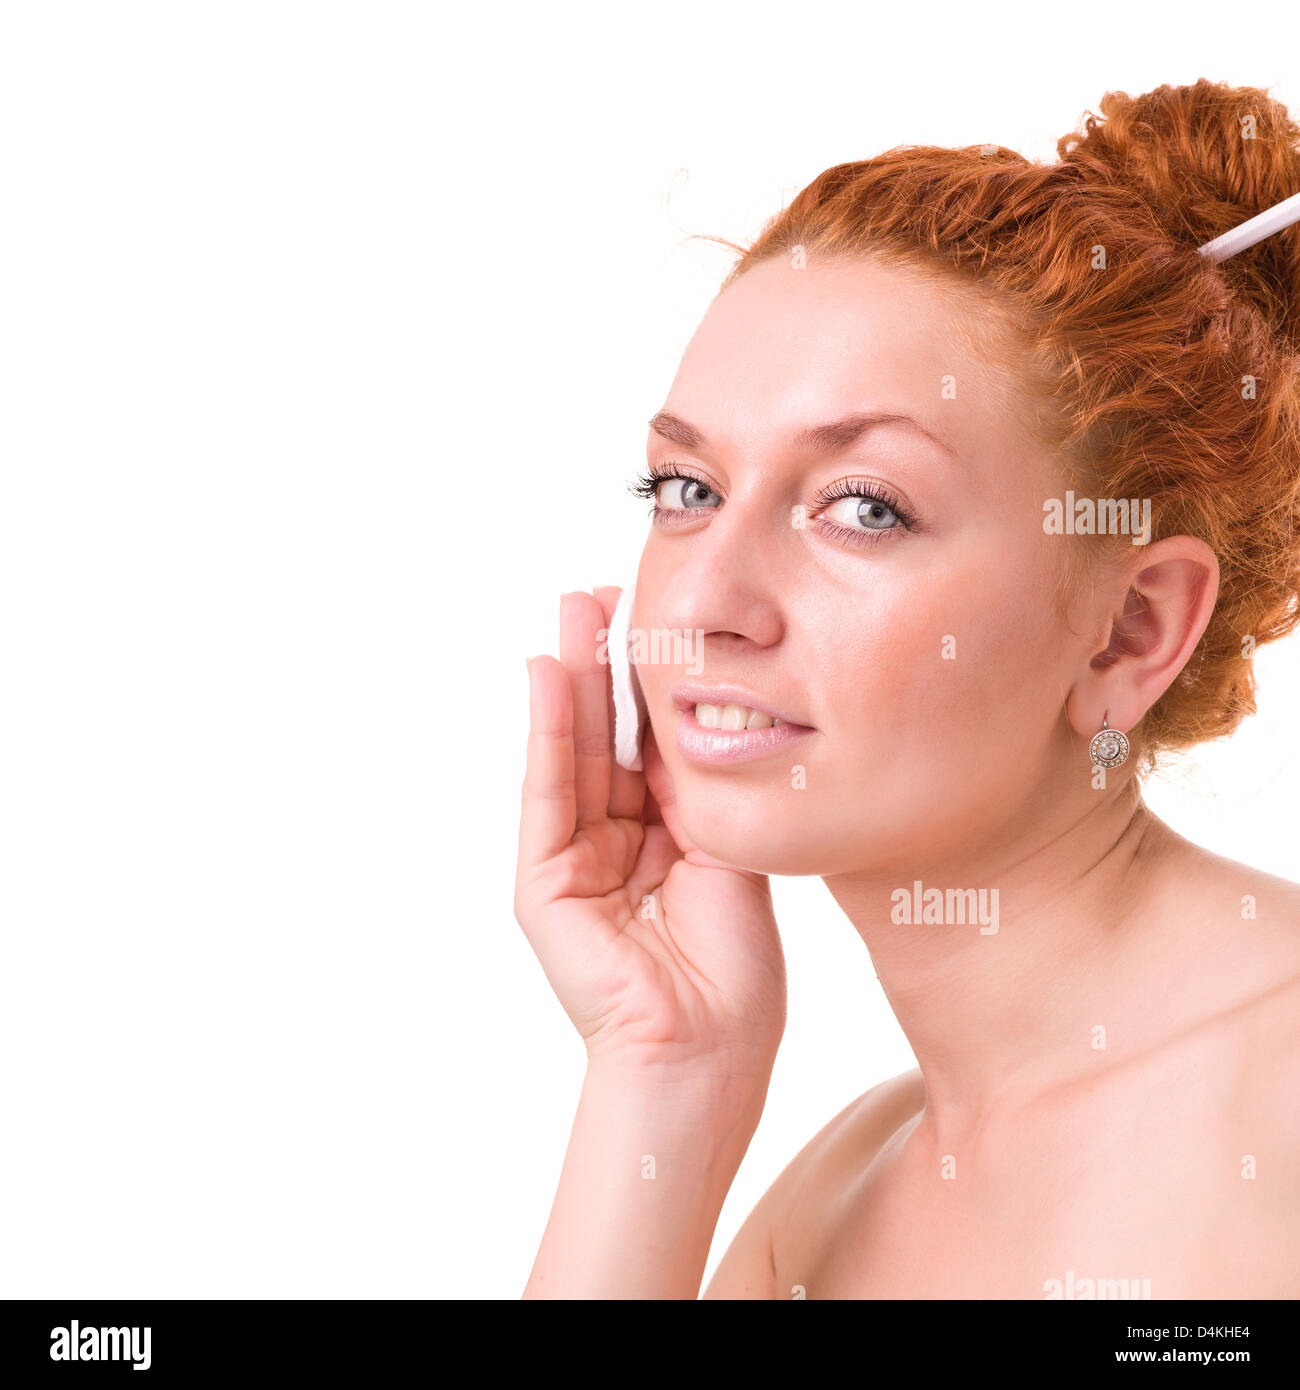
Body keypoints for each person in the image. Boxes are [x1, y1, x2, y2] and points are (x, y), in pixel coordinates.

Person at [514, 78, 1300, 1299]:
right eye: (687, 489)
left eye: (864, 508)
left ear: (1129, 630)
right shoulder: (834, 1202)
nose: (704, 601)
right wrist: (661, 1074)